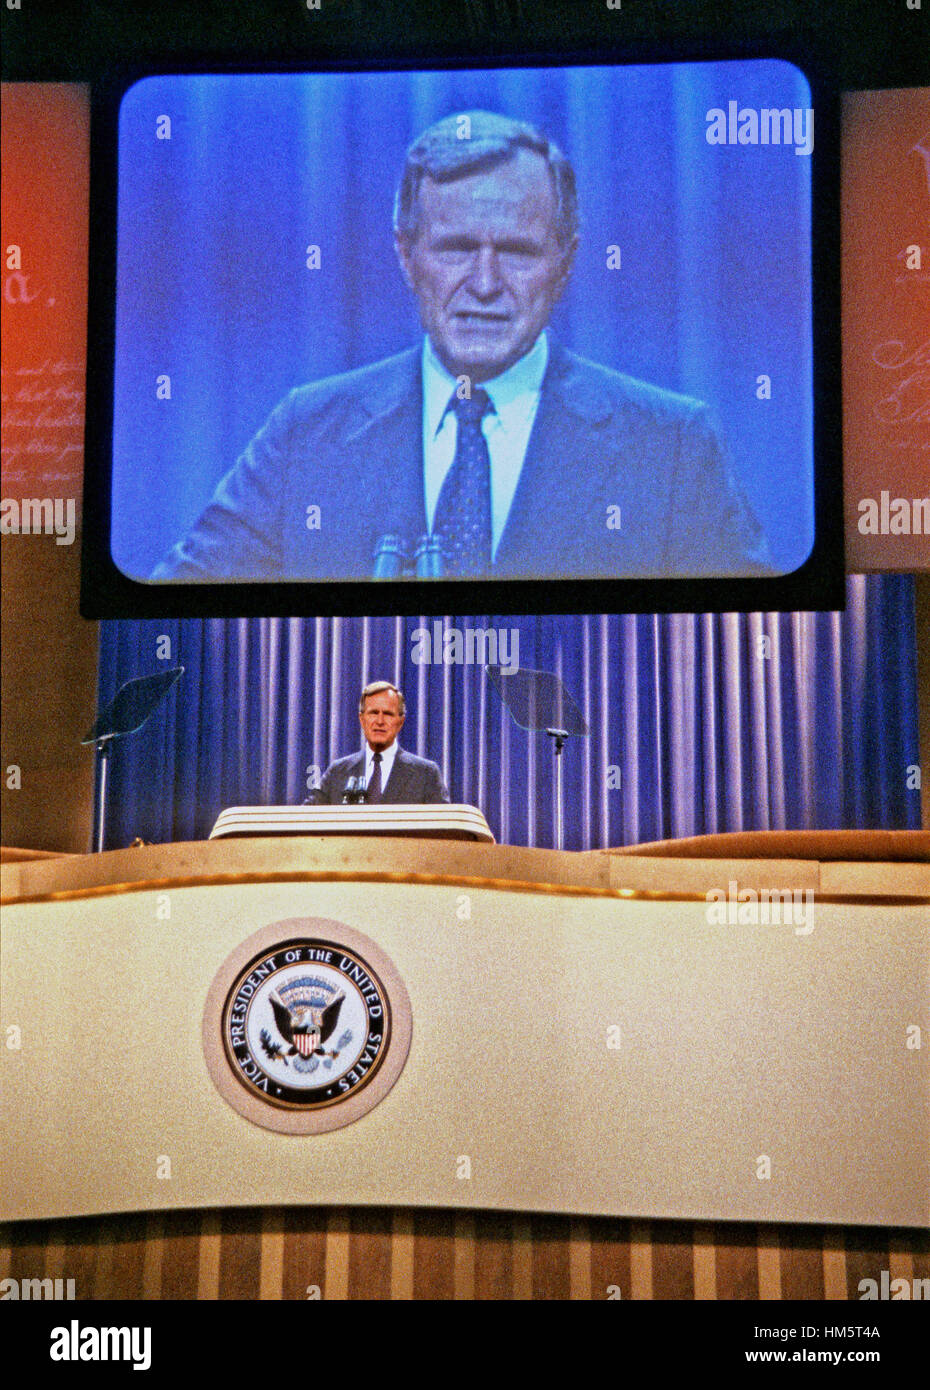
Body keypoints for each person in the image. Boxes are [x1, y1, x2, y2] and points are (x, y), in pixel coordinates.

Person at [152, 110, 772, 582]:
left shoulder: (674, 447)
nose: (483, 284)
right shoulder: (304, 432)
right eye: (455, 248)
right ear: (405, 254)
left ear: (566, 261)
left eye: (517, 251)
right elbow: (176, 614)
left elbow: (744, 640)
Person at [305, 680, 450, 805]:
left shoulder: (426, 774)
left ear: (400, 722)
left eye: (388, 714)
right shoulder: (337, 772)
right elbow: (305, 819)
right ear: (362, 719)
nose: (379, 721)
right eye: (373, 713)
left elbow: (445, 829)